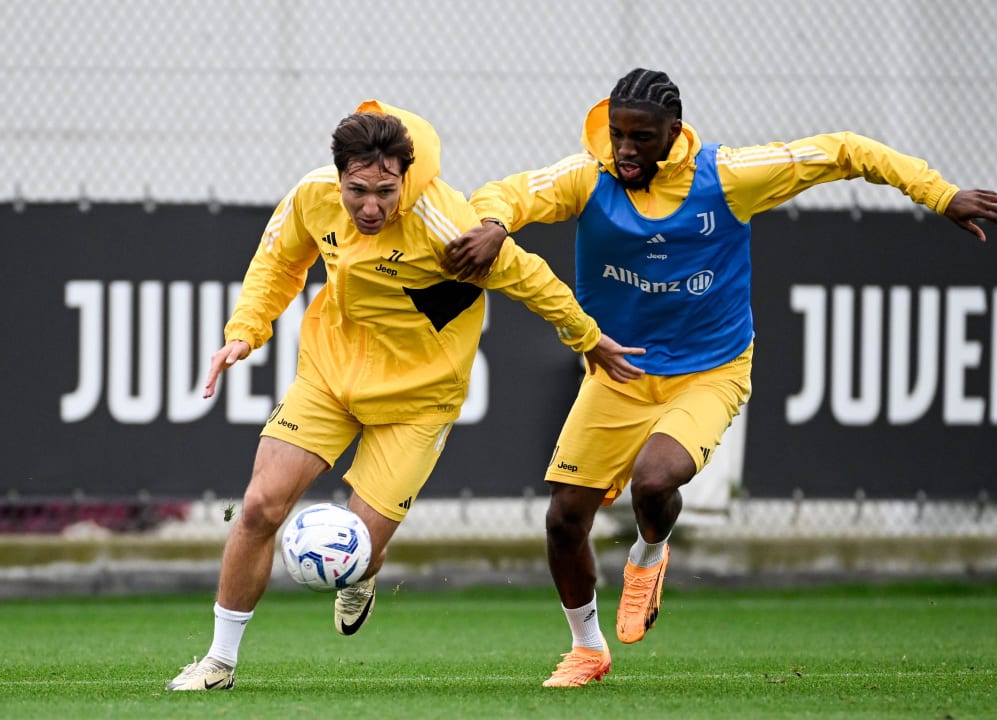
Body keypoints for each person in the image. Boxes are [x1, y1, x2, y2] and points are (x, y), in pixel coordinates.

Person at [444, 68, 997, 688]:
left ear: (676, 132)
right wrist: (495, 225)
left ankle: (649, 552)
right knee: (562, 519)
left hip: (708, 371)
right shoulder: (590, 176)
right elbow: (509, 191)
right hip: (619, 371)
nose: (626, 149)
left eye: (642, 137)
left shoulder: (729, 178)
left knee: (655, 479)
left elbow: (846, 150)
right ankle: (588, 649)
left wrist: (939, 194)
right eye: (617, 134)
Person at [166, 100, 643, 691]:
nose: (370, 206)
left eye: (385, 191)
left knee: (357, 553)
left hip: (420, 400)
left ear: (405, 178)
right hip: (328, 377)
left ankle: (362, 576)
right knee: (261, 504)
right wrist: (243, 333)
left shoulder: (447, 223)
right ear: (338, 175)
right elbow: (277, 264)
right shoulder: (313, 197)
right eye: (358, 189)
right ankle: (218, 662)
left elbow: (533, 280)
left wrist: (587, 338)